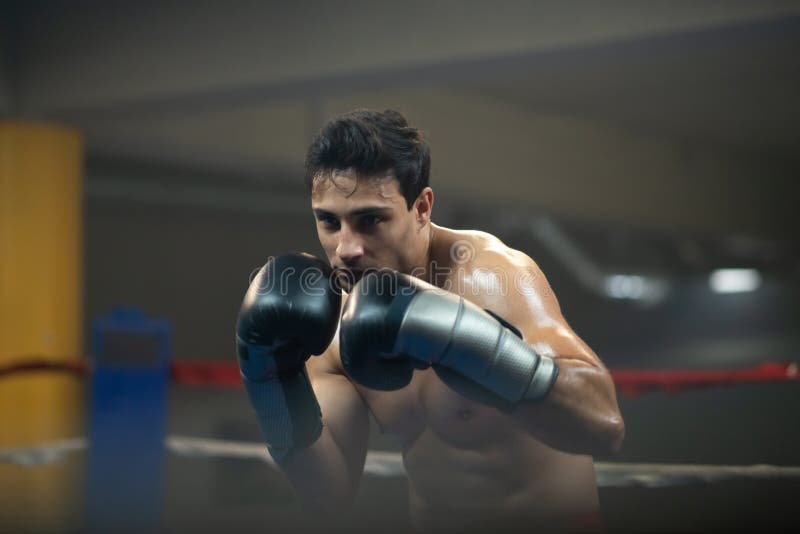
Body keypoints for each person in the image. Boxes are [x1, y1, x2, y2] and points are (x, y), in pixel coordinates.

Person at [236, 109, 624, 532]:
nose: (346, 248)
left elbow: (604, 427)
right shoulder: (329, 323)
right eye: (329, 221)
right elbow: (327, 495)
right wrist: (271, 378)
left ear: (421, 207)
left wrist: (474, 342)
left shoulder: (491, 277)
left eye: (370, 220)